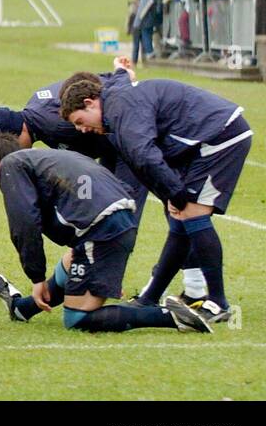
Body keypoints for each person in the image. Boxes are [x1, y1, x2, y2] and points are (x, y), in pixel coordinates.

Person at [0, 59, 210, 305]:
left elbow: (100, 97)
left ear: (19, 133)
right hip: (114, 152)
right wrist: (120, 72)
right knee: (98, 225)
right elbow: (87, 84)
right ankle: (25, 307)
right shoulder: (38, 111)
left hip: (129, 151)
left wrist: (123, 78)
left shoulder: (55, 126)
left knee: (118, 221)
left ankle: (183, 289)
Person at [60, 75, 252, 324]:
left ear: (90, 103)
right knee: (180, 218)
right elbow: (142, 164)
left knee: (193, 214)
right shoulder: (114, 108)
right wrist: (169, 195)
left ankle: (218, 303)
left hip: (219, 135)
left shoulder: (119, 111)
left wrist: (176, 193)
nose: (82, 129)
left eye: (80, 121)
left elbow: (145, 156)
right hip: (203, 138)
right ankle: (150, 297)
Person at [0, 133, 209, 333]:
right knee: (71, 262)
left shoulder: (11, 166)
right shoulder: (42, 159)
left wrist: (37, 278)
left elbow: (25, 224)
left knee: (77, 318)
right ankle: (21, 309)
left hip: (103, 228)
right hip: (118, 217)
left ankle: (168, 316)